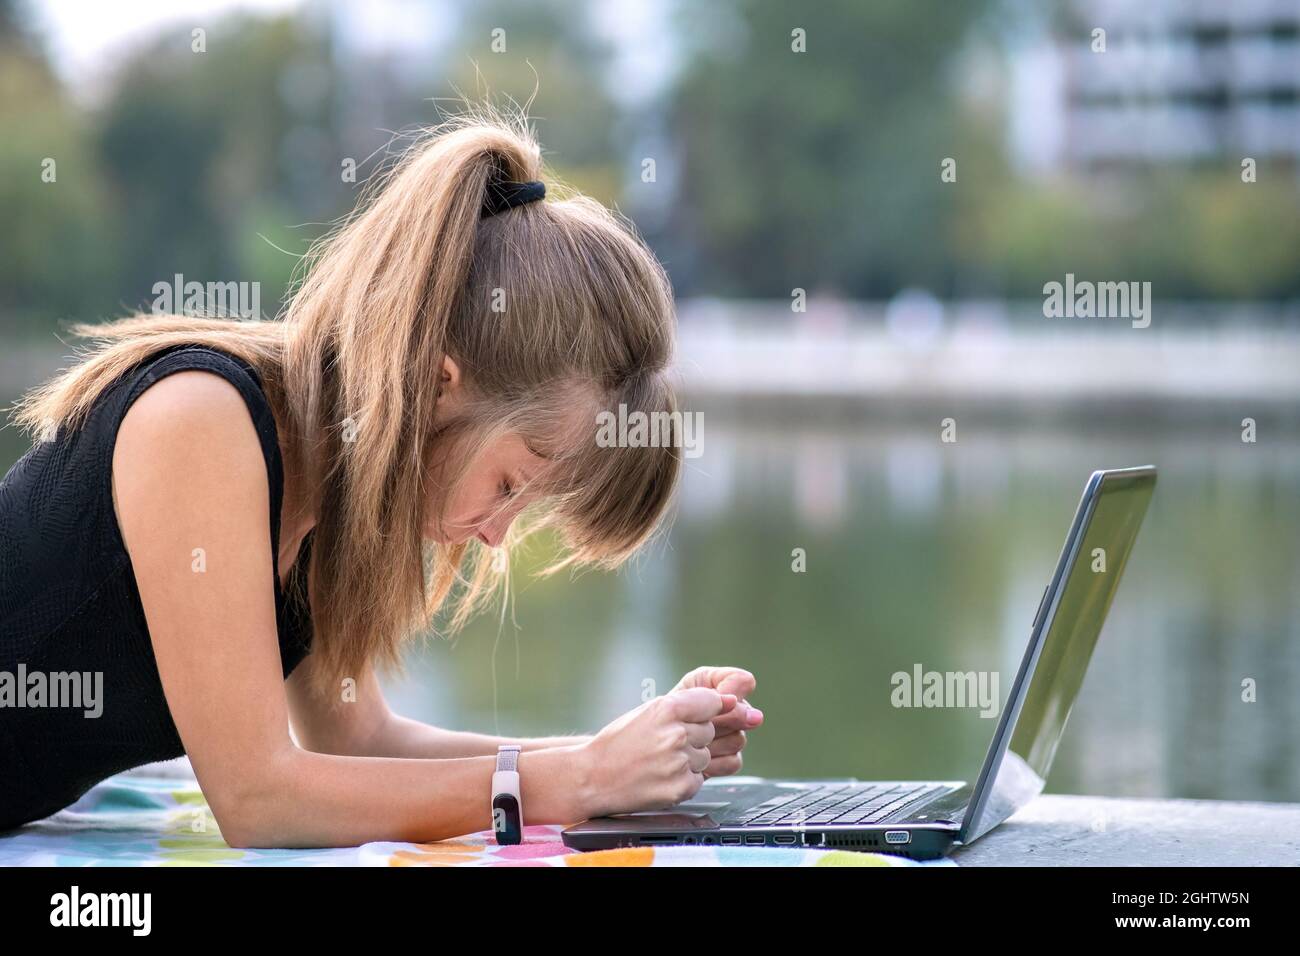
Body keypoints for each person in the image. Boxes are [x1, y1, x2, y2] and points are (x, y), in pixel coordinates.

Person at [0, 112, 762, 845]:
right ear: (438, 383)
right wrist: (579, 780)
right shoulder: (204, 421)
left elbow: (361, 743)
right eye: (508, 485)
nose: (497, 536)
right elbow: (258, 797)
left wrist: (622, 758)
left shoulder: (324, 496)